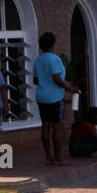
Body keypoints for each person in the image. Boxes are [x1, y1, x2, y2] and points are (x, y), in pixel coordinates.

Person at [34, 31, 79, 166]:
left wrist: (44, 80)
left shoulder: (38, 60)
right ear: (53, 45)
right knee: (57, 127)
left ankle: (49, 157)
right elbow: (57, 78)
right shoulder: (54, 59)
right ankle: (58, 158)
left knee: (45, 126)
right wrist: (70, 89)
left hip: (41, 97)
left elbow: (35, 80)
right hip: (54, 97)